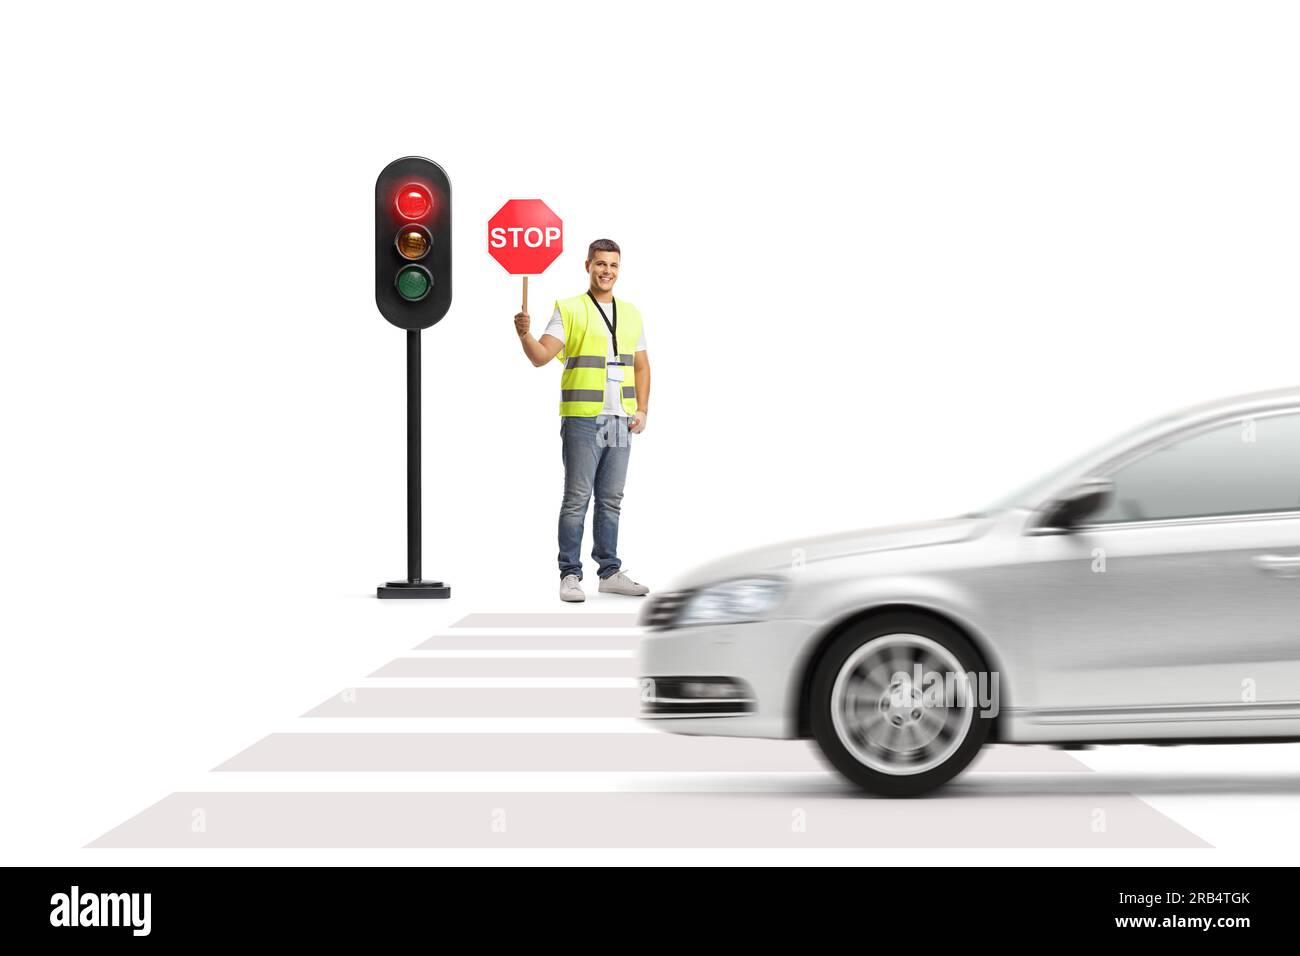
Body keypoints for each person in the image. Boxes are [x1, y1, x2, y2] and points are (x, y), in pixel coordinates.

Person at [514, 238, 651, 602]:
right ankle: (570, 574)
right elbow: (540, 356)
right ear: (587, 265)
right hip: (581, 419)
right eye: (600, 264)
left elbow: (641, 365)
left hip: (620, 420)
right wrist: (525, 334)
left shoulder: (632, 313)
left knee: (611, 499)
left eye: (613, 266)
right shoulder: (570, 309)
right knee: (577, 497)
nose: (607, 271)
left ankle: (609, 571)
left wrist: (642, 409)